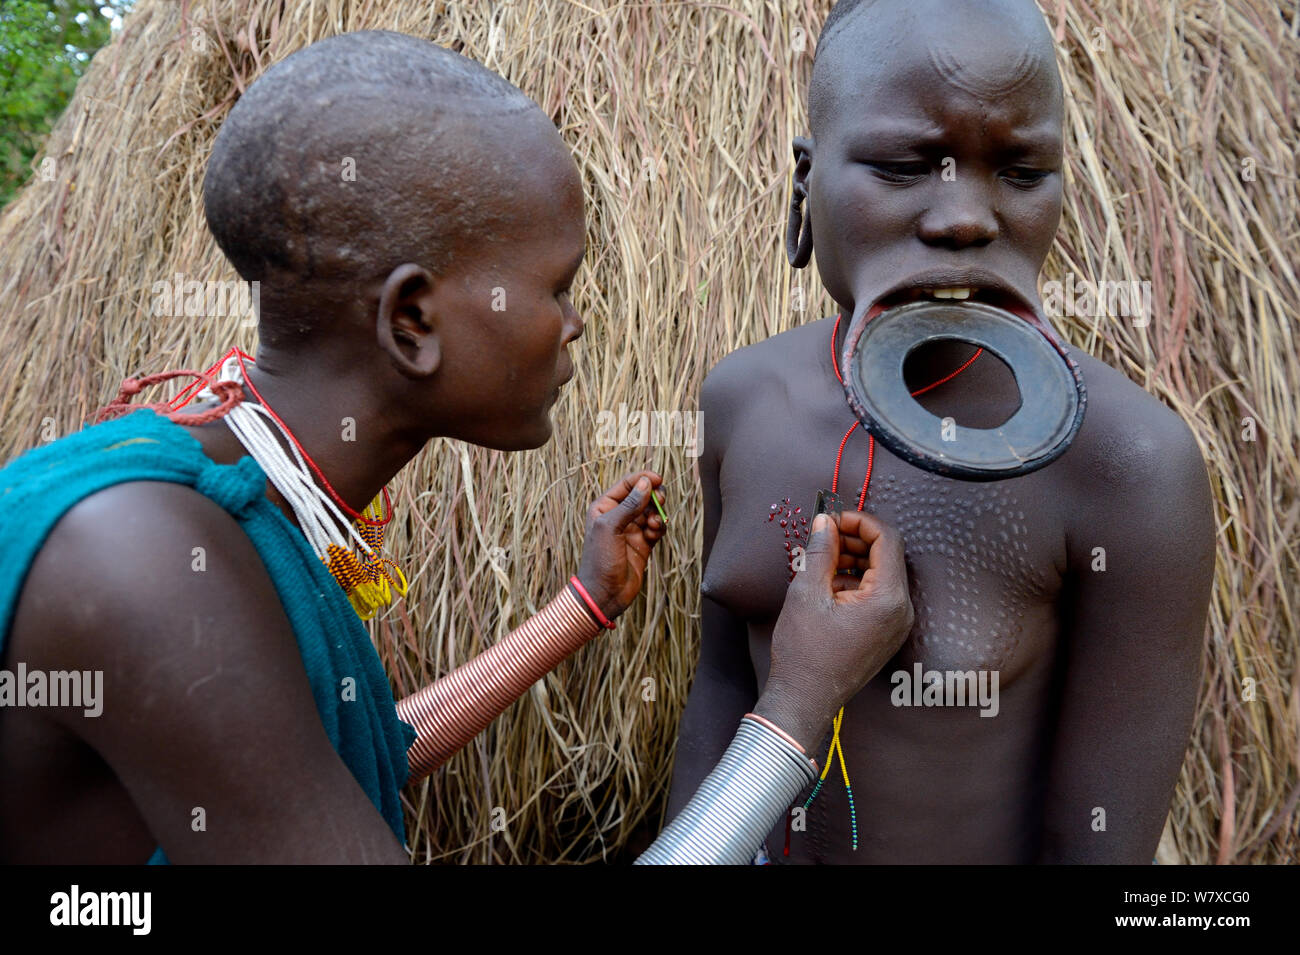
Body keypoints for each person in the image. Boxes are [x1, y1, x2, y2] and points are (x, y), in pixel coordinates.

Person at [0, 29, 913, 866]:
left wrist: (582, 607)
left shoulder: (238, 503)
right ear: (412, 322)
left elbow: (358, 752)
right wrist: (794, 708)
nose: (577, 322)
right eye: (554, 287)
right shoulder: (147, 561)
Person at [668, 0, 1216, 864]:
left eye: (1023, 170)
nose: (965, 218)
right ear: (804, 183)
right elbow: (718, 694)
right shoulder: (742, 399)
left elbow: (1099, 852)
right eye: (901, 164)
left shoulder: (1127, 464)